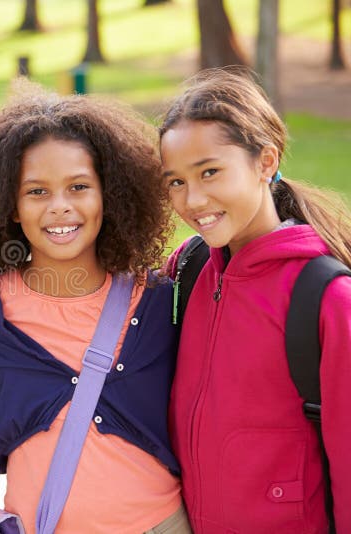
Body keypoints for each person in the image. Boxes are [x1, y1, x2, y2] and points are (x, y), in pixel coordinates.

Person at [0, 85, 191, 533]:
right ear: (11, 207)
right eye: (36, 191)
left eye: (79, 187)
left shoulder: (157, 300)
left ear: (108, 195)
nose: (60, 207)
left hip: (160, 524)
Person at [160, 68, 351, 533]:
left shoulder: (326, 297)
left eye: (209, 172)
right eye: (176, 182)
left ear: (265, 162)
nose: (193, 199)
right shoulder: (186, 270)